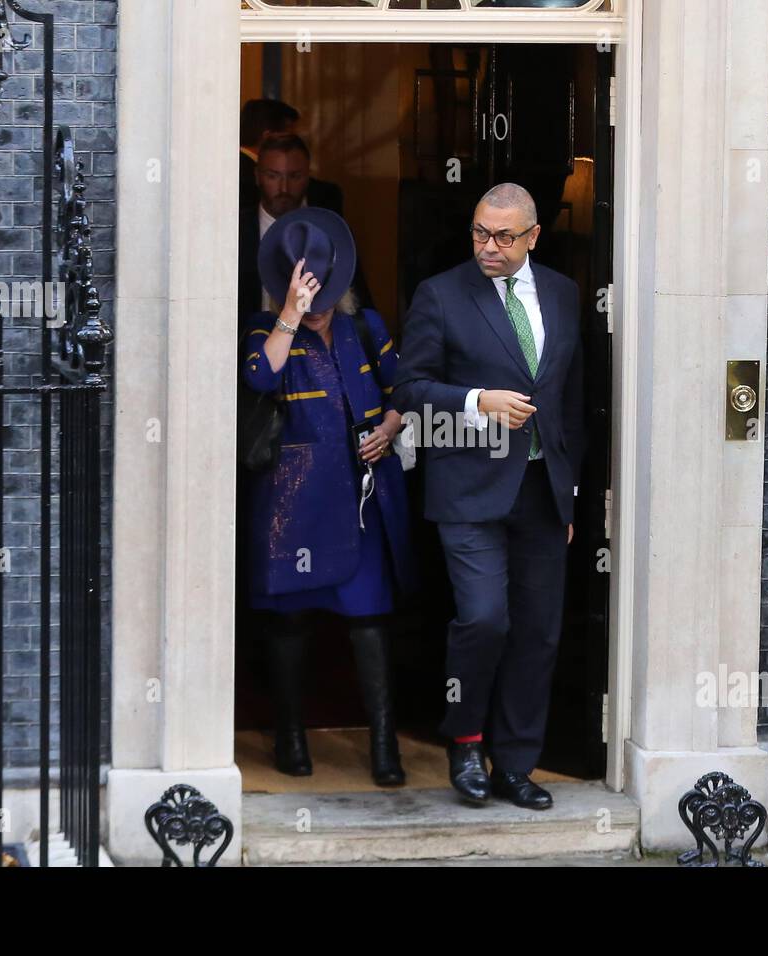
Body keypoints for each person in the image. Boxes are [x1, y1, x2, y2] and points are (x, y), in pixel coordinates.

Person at [392, 183, 585, 810]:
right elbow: (410, 389)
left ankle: (517, 764)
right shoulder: (441, 294)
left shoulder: (561, 292)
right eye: (480, 232)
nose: (489, 246)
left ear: (533, 236)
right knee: (483, 619)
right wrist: (478, 402)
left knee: (538, 633)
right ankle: (465, 738)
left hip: (542, 492)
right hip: (469, 489)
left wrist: (571, 492)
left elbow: (571, 402)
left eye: (504, 236)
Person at [242, 206, 416, 786]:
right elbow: (260, 379)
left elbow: (403, 389)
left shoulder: (364, 325)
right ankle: (290, 736)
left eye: (321, 288)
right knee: (289, 624)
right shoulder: (263, 331)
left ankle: (385, 746)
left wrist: (390, 428)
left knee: (369, 620)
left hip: (362, 503)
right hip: (292, 508)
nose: (317, 300)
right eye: (304, 288)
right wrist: (287, 313)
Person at [239, 131, 374, 321]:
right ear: (257, 176)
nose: (283, 188)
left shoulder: (331, 232)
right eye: (273, 176)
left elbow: (359, 303)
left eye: (294, 176)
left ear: (308, 176)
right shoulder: (236, 232)